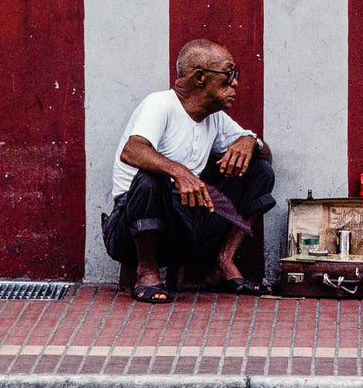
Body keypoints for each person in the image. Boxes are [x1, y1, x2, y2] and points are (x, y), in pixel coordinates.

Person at [102, 38, 275, 303]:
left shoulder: (213, 117)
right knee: (151, 180)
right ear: (199, 77)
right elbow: (132, 151)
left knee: (259, 170)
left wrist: (251, 141)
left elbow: (267, 157)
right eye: (229, 75)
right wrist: (179, 172)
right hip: (130, 229)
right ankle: (146, 271)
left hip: (185, 228)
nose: (235, 83)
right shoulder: (160, 104)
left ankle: (223, 261)